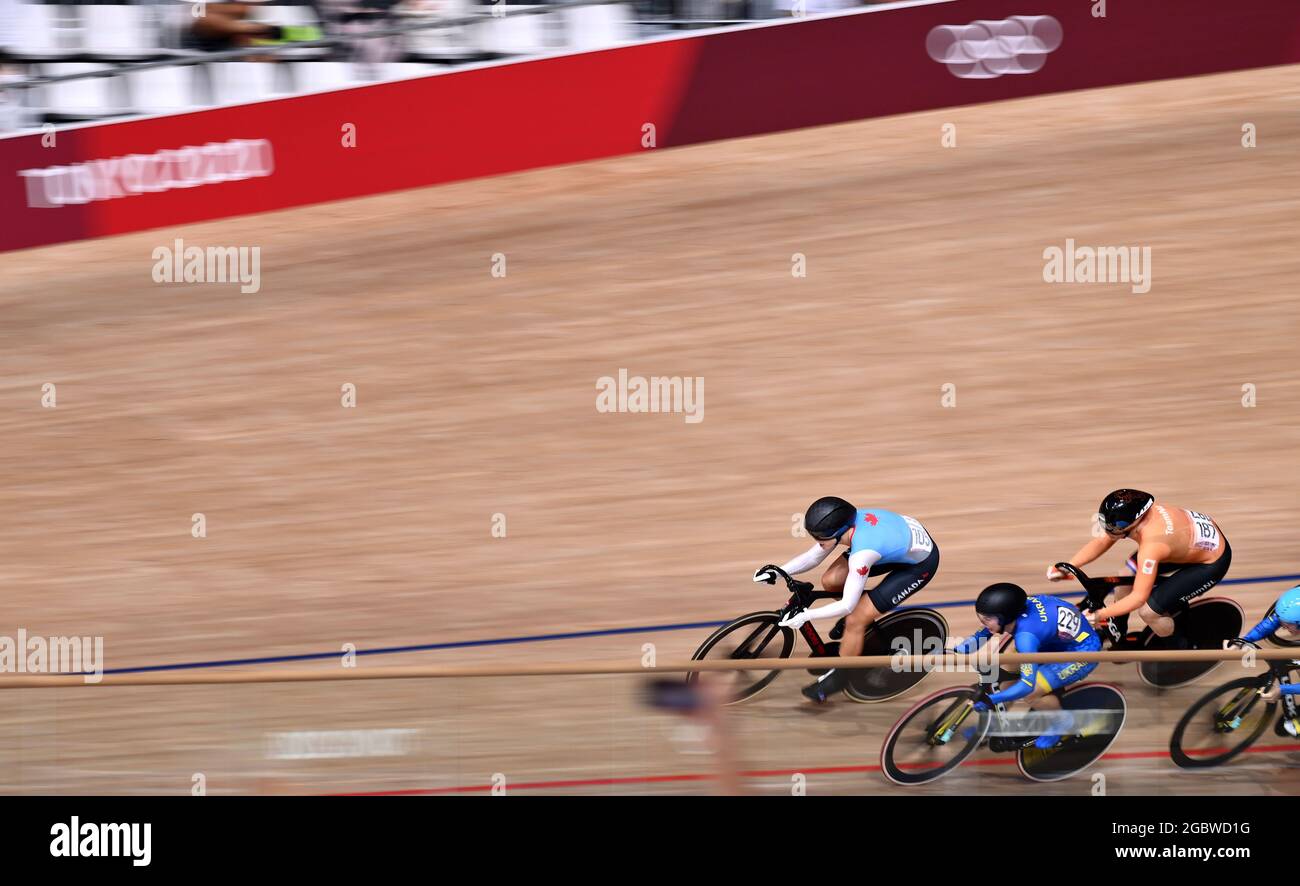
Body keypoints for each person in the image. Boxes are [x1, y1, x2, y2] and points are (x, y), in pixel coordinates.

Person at [753, 496, 939, 703]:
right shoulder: (846, 522)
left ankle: (840, 675)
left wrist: (807, 615)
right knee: (831, 580)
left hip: (918, 567)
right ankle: (857, 628)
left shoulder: (863, 553)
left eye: (820, 538)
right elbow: (813, 556)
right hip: (894, 545)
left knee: (855, 619)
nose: (817, 542)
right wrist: (778, 572)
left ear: (840, 532)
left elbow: (848, 604)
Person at [1047, 489, 1231, 649]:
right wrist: (1069, 566)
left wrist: (1099, 615)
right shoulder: (1138, 515)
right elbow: (1104, 540)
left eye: (1115, 527)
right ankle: (1118, 633)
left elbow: (1138, 598)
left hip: (1210, 562)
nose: (1110, 530)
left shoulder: (1151, 546)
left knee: (1148, 612)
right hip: (1184, 544)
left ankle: (1180, 649)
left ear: (1133, 523)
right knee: (1124, 578)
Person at [953, 583, 1101, 749]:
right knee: (1005, 675)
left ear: (1005, 618)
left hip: (1081, 652)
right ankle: (993, 725)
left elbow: (1026, 686)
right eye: (982, 618)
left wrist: (992, 699)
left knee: (1032, 694)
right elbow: (985, 630)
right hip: (1053, 640)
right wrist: (955, 650)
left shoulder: (1026, 637)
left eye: (987, 619)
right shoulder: (1012, 609)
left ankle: (1062, 722)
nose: (983, 622)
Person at [1228, 587, 1300, 734]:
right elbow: (1268, 624)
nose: (1284, 628)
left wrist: (1283, 689)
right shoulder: (1291, 608)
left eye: (1288, 625)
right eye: (1283, 623)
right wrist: (1241, 641)